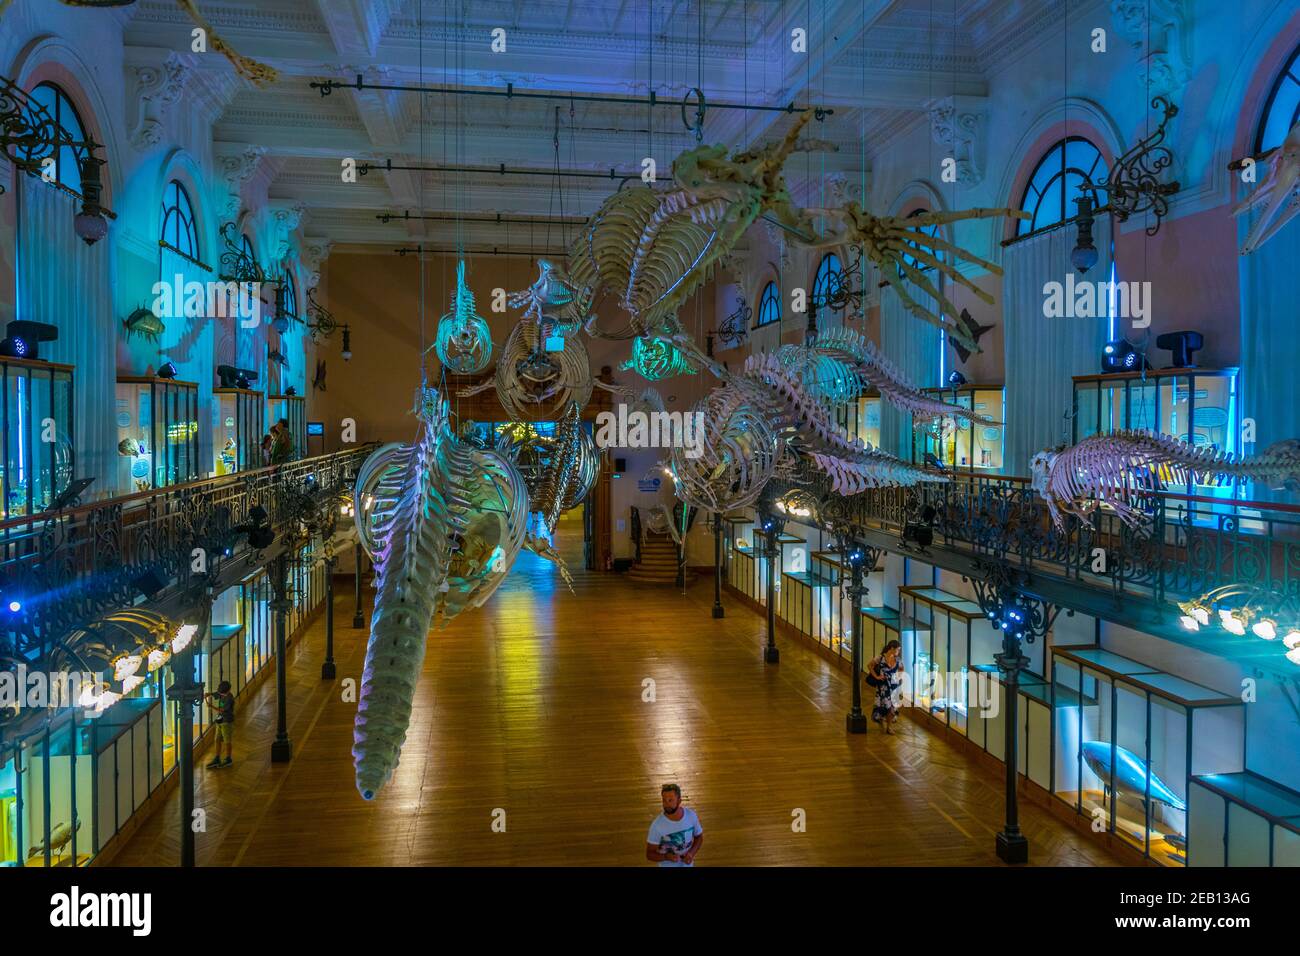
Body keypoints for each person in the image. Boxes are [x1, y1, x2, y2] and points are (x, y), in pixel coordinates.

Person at [645, 783, 703, 867]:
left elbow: (699, 837)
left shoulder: (691, 815)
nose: (666, 804)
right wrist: (666, 857)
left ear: (679, 801)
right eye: (664, 800)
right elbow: (649, 854)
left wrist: (691, 853)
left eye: (670, 800)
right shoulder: (657, 826)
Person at [869, 639, 906, 734]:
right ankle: (884, 721)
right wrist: (877, 676)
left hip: (894, 687)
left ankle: (889, 727)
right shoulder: (880, 658)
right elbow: (870, 666)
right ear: (892, 648)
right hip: (883, 687)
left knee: (892, 707)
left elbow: (901, 669)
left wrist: (899, 678)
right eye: (897, 649)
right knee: (887, 706)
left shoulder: (898, 660)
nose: (899, 651)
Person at [205, 681, 236, 768]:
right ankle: (217, 758)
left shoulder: (229, 698)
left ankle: (228, 759)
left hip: (227, 721)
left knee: (227, 740)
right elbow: (217, 694)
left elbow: (222, 710)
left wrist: (211, 706)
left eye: (222, 693)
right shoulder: (223, 693)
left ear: (227, 691)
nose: (220, 694)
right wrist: (209, 694)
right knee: (217, 739)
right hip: (220, 720)